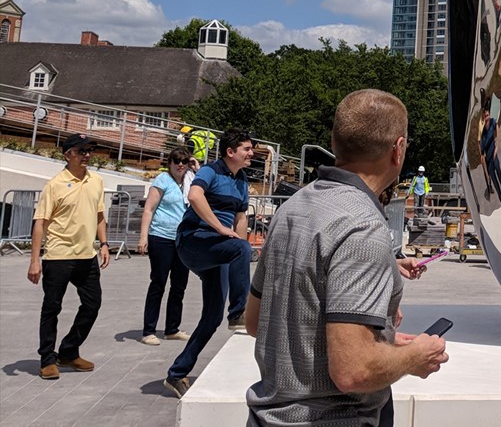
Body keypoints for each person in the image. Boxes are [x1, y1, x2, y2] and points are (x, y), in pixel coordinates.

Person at [246, 89, 448, 426]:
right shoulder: (363, 227)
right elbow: (354, 372)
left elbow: (256, 322)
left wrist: (379, 339)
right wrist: (415, 356)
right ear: (397, 150)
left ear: (336, 142)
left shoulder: (293, 207)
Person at [164, 129, 254, 398]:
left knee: (213, 317)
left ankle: (177, 373)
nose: (251, 154)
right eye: (246, 149)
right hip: (194, 241)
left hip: (218, 249)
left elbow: (240, 219)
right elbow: (194, 196)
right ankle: (239, 312)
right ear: (230, 152)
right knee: (240, 247)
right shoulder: (211, 172)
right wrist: (221, 229)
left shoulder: (242, 180)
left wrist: (238, 240)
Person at [28, 133, 111, 380]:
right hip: (58, 256)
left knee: (92, 304)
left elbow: (99, 215)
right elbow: (40, 223)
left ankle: (69, 351)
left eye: (89, 150)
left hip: (87, 256)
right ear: (68, 155)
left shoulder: (96, 180)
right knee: (52, 308)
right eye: (81, 151)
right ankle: (47, 359)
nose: (87, 155)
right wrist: (34, 260)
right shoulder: (54, 185)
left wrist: (104, 244)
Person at [136, 148, 194, 345]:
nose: (180, 165)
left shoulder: (189, 182)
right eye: (176, 161)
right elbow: (149, 209)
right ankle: (149, 330)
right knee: (158, 283)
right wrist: (143, 237)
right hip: (161, 237)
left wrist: (196, 167)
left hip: (181, 239)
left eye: (184, 161)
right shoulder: (163, 180)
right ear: (169, 162)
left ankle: (172, 328)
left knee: (179, 285)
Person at [481, 105, 501, 207]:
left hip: (493, 152)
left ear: (489, 115)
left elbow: (497, 132)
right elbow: (482, 151)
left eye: (487, 115)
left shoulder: (493, 122)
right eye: (485, 116)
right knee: (492, 175)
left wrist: (497, 147)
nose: (487, 117)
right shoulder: (483, 131)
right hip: (487, 156)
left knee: (497, 167)